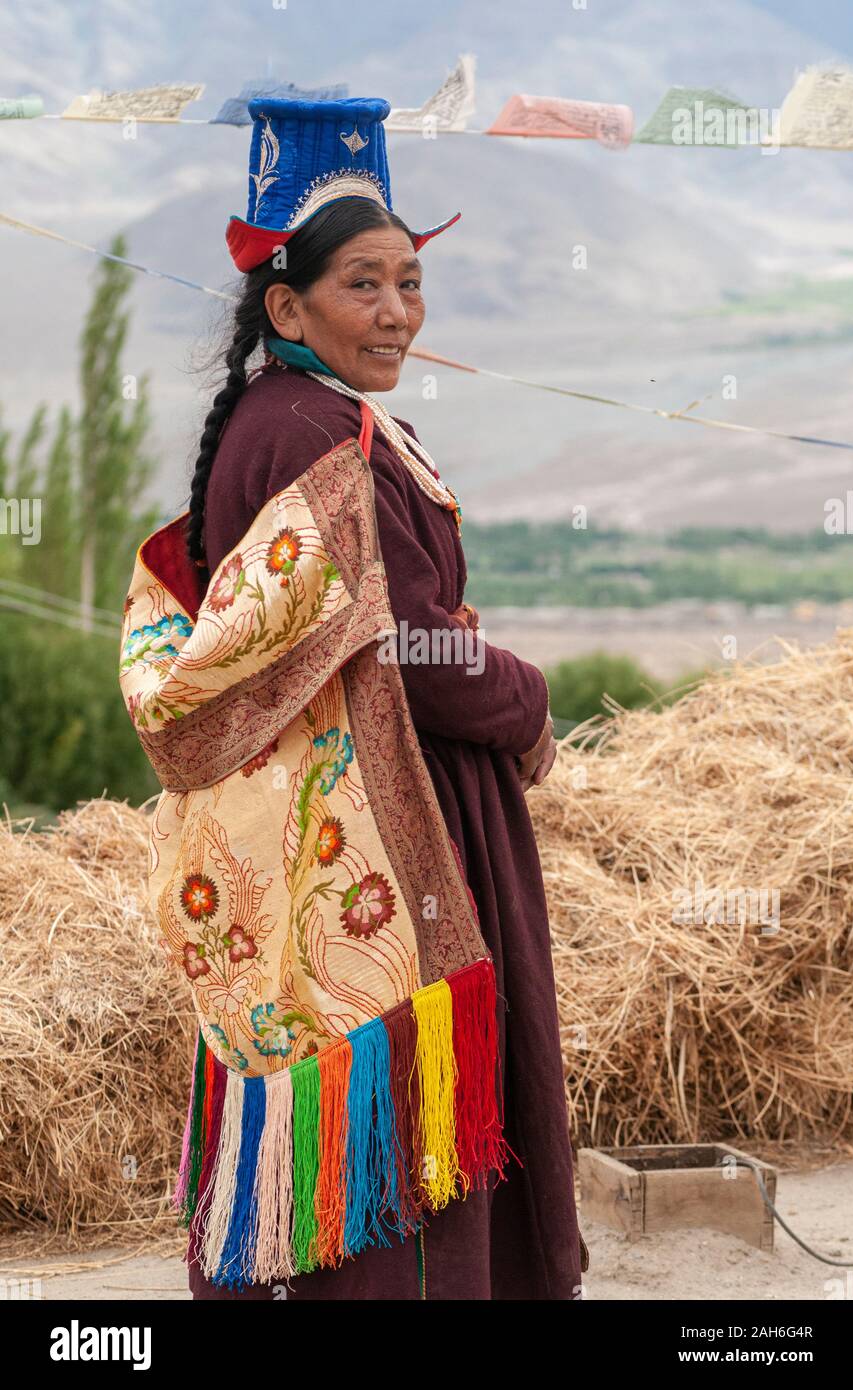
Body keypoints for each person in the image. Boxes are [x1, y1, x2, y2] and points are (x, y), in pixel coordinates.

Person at [174, 95, 586, 1300]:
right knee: (394, 1125)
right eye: (364, 284)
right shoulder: (311, 431)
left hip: (347, 828)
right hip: (386, 847)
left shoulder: (300, 414)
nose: (399, 311)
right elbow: (395, 650)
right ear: (286, 306)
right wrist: (522, 697)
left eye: (410, 279)